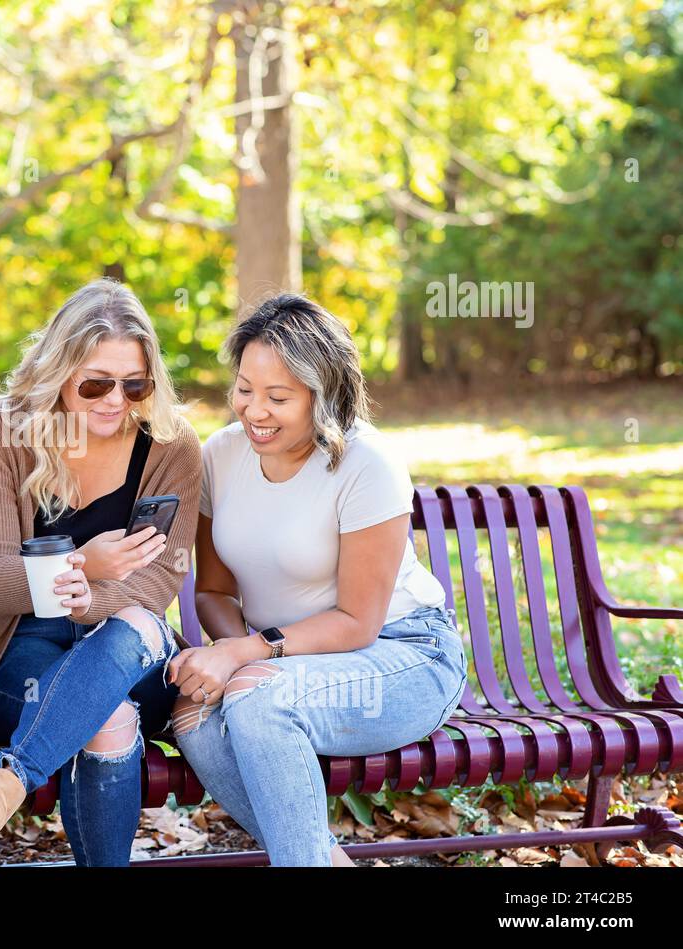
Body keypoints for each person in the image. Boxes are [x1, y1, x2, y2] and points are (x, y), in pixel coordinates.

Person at [0, 277, 202, 867]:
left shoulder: (170, 444)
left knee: (139, 627)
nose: (116, 400)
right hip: (12, 654)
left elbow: (159, 579)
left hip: (124, 647)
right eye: (95, 383)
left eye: (134, 384)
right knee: (107, 715)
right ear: (58, 370)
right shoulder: (0, 433)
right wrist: (84, 566)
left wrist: (80, 597)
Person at [168, 292, 468, 866]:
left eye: (278, 397)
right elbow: (212, 591)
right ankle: (321, 858)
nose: (255, 411)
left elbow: (358, 621)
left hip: (405, 654)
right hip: (283, 662)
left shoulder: (366, 464)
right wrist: (237, 651)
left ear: (323, 396)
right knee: (193, 714)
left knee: (258, 702)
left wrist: (248, 655)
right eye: (245, 390)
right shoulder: (221, 456)